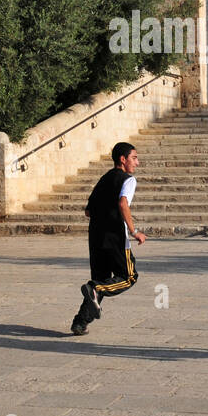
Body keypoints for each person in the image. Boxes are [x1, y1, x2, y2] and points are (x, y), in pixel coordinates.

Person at [71, 141, 146, 336]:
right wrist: (134, 231)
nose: (137, 163)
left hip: (96, 238)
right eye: (134, 158)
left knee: (101, 281)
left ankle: (80, 322)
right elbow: (123, 204)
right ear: (123, 159)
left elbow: (88, 211)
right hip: (116, 238)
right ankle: (94, 289)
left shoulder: (103, 179)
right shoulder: (128, 180)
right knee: (129, 277)